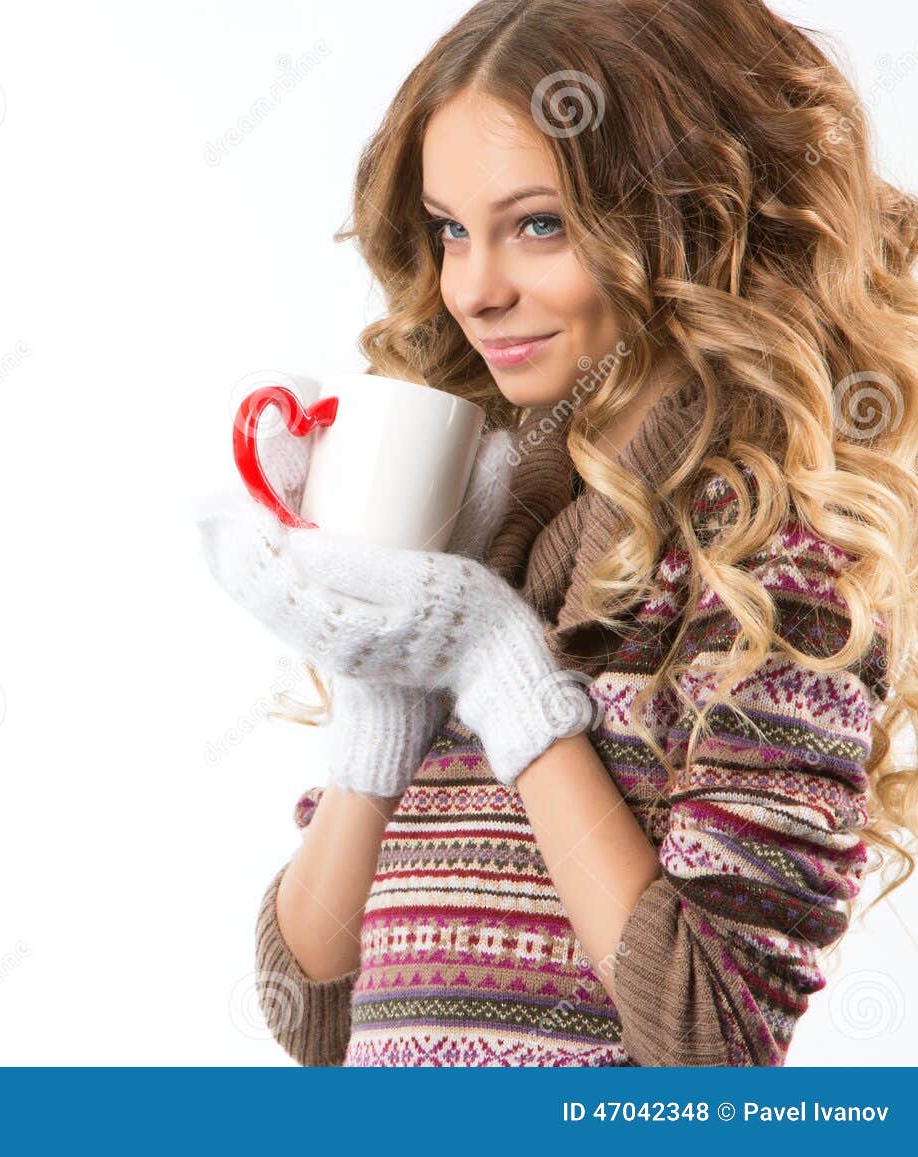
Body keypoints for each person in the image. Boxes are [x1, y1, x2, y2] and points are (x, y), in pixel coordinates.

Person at [194, 0, 918, 1066]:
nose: (474, 289)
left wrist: (504, 670)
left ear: (684, 221)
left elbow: (713, 1037)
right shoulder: (482, 534)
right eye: (451, 229)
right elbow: (310, 1011)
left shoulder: (774, 554)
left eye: (538, 223)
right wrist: (383, 705)